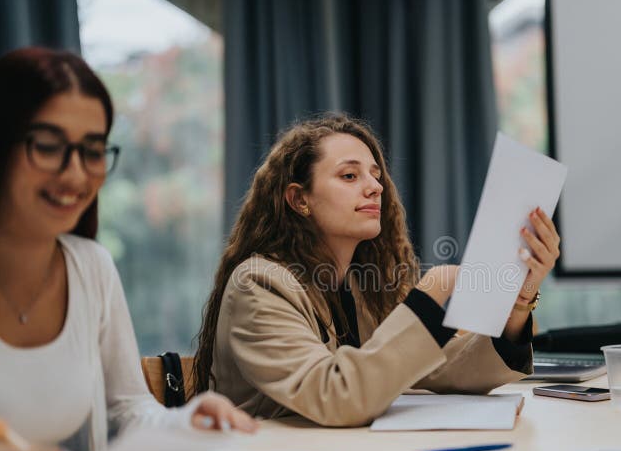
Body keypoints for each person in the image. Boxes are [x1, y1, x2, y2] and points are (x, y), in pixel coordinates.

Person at [0, 47, 257, 451]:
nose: (75, 173)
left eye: (92, 150)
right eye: (48, 146)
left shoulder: (90, 266)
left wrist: (186, 421)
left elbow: (128, 408)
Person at [193, 114, 561, 427]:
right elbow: (337, 396)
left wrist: (519, 302)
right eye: (350, 176)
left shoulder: (359, 286)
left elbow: (441, 369)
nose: (375, 186)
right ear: (299, 199)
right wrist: (432, 291)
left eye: (375, 175)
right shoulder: (257, 283)